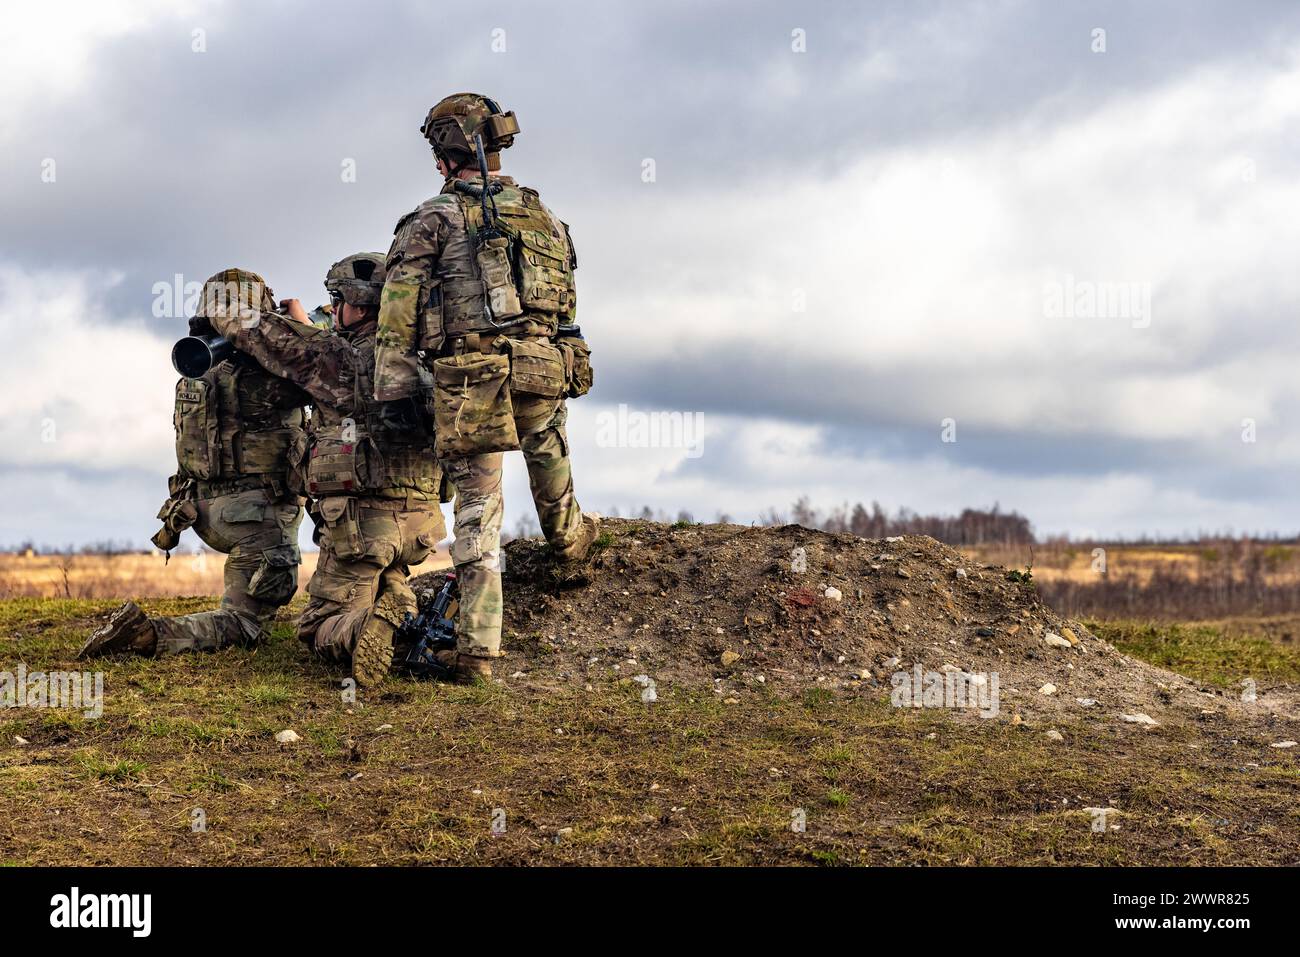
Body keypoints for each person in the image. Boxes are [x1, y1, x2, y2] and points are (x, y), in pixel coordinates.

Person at [373, 92, 598, 682]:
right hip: (543, 367)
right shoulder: (545, 217)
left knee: (479, 511)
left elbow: (397, 315)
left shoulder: (433, 218)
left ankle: (477, 648)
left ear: (447, 149)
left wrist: (393, 390)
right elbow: (566, 308)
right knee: (549, 459)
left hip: (472, 379)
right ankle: (571, 548)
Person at [198, 260, 446, 687]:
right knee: (383, 576)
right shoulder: (426, 357)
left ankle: (363, 628)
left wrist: (289, 323)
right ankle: (412, 616)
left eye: (339, 300)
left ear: (361, 307)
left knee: (318, 624)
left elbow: (252, 329)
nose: (333, 307)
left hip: (364, 526)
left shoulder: (335, 358)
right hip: (421, 526)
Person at [80, 269, 309, 660]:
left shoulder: (198, 369)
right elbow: (333, 373)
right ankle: (147, 635)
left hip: (201, 512)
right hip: (253, 518)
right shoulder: (268, 376)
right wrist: (301, 328)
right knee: (245, 624)